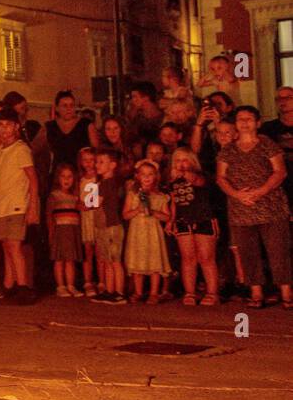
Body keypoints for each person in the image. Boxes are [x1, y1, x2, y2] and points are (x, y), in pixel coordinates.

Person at [216, 106, 291, 309]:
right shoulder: (229, 149)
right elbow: (221, 177)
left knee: (278, 251)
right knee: (248, 252)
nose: (245, 123)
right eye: (241, 119)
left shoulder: (268, 144)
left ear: (258, 123)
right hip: (241, 209)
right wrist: (237, 194)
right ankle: (256, 292)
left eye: (249, 119)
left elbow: (279, 172)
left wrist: (260, 191)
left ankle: (286, 292)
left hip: (271, 207)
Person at [0, 108, 39, 303]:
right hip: (3, 204)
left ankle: (23, 287)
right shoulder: (0, 150)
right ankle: (9, 287)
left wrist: (32, 207)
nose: (4, 129)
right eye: (0, 125)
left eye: (8, 125)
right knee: (7, 246)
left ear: (16, 126)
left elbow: (33, 179)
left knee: (15, 246)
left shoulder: (21, 149)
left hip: (17, 204)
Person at [167, 148, 220, 306]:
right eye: (177, 160)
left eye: (184, 160)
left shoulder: (200, 175)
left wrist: (183, 173)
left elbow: (197, 181)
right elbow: (174, 201)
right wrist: (172, 220)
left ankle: (212, 293)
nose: (181, 164)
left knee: (206, 258)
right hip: (184, 221)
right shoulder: (173, 180)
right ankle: (190, 292)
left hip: (203, 219)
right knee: (188, 258)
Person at [123, 160, 172, 303]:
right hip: (137, 234)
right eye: (143, 174)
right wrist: (137, 209)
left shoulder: (160, 196)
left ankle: (154, 293)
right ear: (137, 176)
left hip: (153, 234)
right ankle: (138, 292)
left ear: (156, 176)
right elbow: (125, 215)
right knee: (138, 263)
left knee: (154, 263)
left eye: (150, 174)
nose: (146, 177)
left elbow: (167, 216)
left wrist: (154, 212)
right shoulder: (132, 195)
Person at [90, 149, 128, 304]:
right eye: (96, 162)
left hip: (111, 226)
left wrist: (89, 194)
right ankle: (109, 290)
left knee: (114, 260)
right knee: (107, 259)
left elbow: (95, 203)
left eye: (101, 162)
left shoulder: (106, 183)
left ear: (112, 165)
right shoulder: (106, 183)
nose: (97, 165)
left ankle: (118, 292)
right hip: (103, 226)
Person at [47, 163, 83, 297]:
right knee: (59, 259)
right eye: (63, 176)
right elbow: (49, 215)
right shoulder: (54, 196)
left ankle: (71, 285)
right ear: (58, 178)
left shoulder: (75, 197)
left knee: (70, 260)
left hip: (72, 231)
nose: (66, 180)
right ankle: (60, 286)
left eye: (70, 177)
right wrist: (51, 232)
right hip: (60, 231)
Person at [76, 147, 100, 297]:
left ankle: (102, 281)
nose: (89, 163)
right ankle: (88, 281)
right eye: (85, 160)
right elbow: (78, 200)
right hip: (86, 219)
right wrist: (80, 206)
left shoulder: (100, 177)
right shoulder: (80, 179)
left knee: (100, 251)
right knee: (88, 251)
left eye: (92, 160)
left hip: (98, 217)